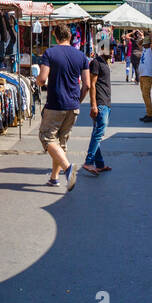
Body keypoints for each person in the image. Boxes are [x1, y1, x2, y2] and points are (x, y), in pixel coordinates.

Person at [36, 24, 91, 190]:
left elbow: (43, 78)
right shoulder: (81, 56)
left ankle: (68, 169)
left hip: (55, 103)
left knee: (46, 137)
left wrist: (38, 81)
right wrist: (78, 101)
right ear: (70, 37)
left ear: (55, 36)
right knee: (61, 142)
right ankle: (54, 178)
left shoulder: (50, 53)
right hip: (73, 104)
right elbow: (87, 84)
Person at [83, 49, 113, 176]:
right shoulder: (96, 62)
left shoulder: (104, 62)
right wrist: (93, 105)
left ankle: (99, 164)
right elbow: (92, 84)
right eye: (109, 48)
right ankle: (89, 161)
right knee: (99, 132)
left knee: (97, 132)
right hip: (100, 103)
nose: (112, 51)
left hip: (105, 102)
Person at [137, 31, 152, 122]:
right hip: (143, 75)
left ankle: (150, 115)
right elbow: (139, 43)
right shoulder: (145, 49)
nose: (143, 45)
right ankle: (148, 113)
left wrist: (150, 36)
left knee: (146, 95)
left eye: (145, 44)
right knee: (145, 96)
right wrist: (143, 38)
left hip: (148, 75)